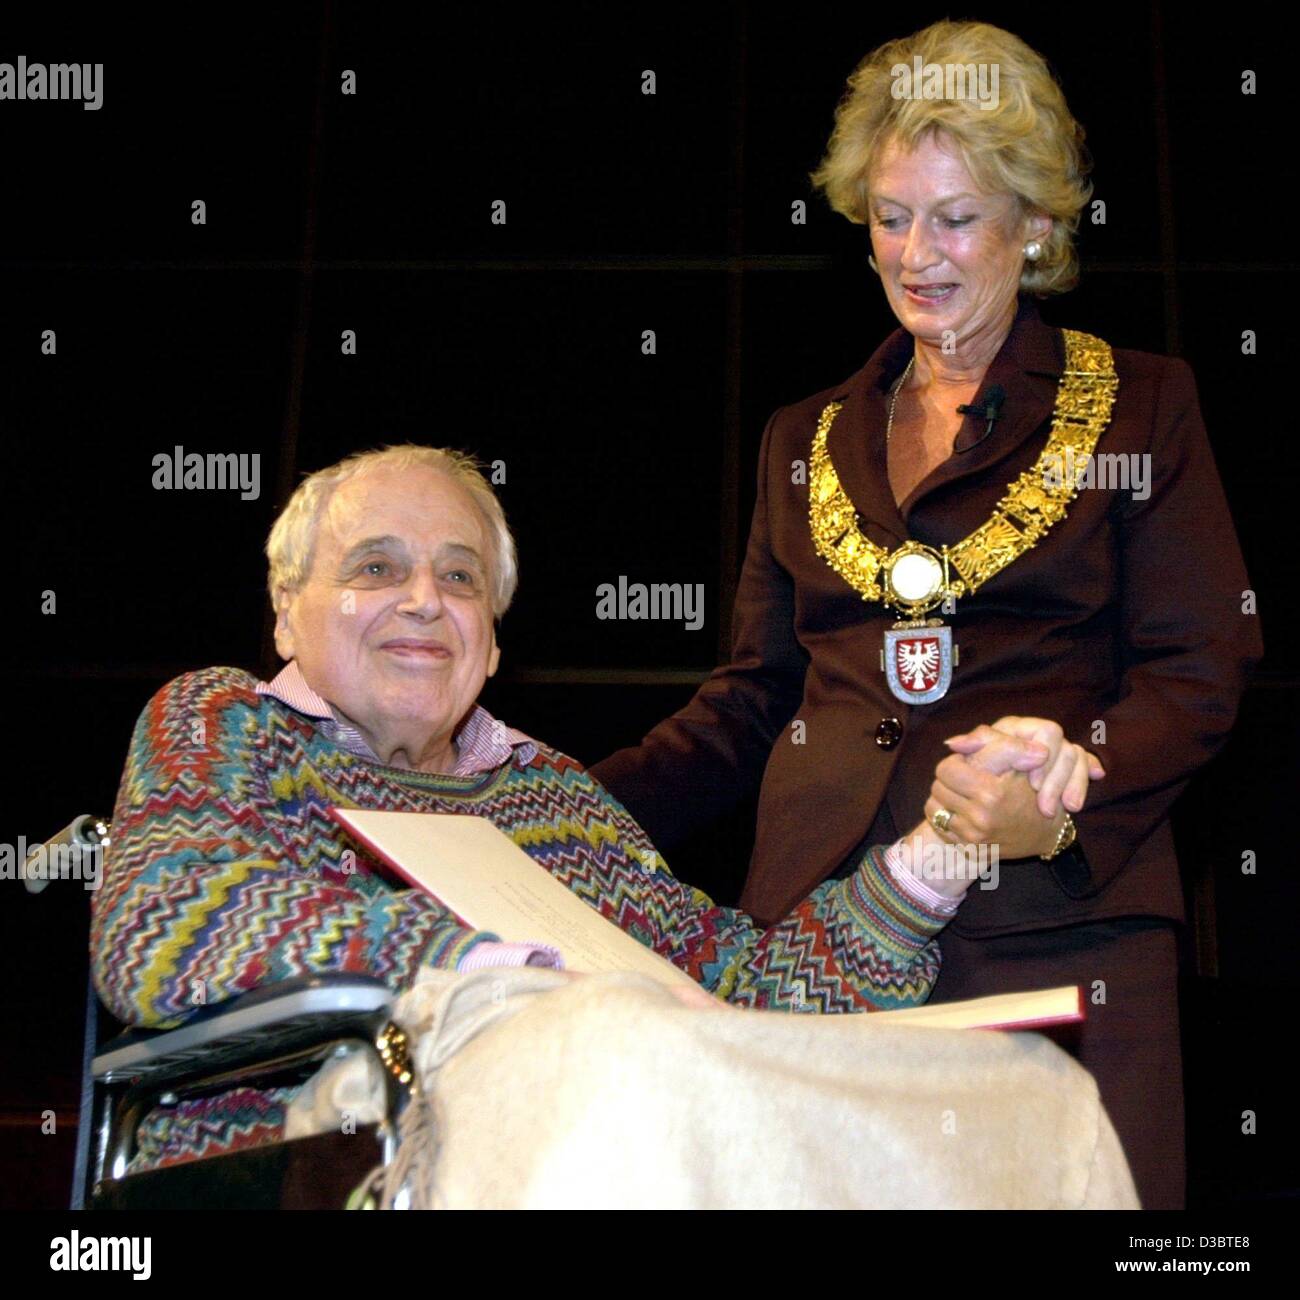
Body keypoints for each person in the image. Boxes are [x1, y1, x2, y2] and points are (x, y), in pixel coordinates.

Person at [591, 20, 1263, 1210]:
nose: (917, 253)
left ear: (1039, 225)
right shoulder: (798, 438)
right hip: (813, 942)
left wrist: (1062, 797)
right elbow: (750, 702)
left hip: (1059, 929)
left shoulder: (1144, 403)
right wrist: (561, 809)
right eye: (891, 216)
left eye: (955, 217)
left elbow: (1201, 664)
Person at [90, 444, 1067, 1176]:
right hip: (300, 1157)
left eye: (461, 576)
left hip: (591, 1118)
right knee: (619, 1058)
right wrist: (486, 967)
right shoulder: (228, 723)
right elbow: (164, 924)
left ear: (493, 636)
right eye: (376, 567)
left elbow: (746, 985)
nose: (426, 598)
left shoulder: (551, 794)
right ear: (285, 607)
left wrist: (947, 843)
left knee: (1025, 1094)